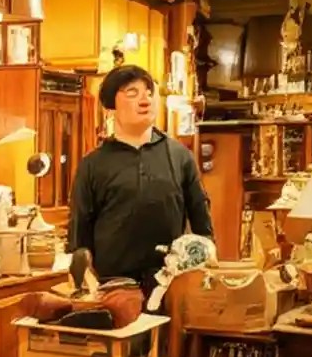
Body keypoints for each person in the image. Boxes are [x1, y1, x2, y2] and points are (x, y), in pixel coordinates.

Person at [67, 64, 214, 297]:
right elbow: (79, 241)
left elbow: (203, 230)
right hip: (114, 288)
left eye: (149, 92)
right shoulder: (92, 165)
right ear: (111, 106)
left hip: (172, 285)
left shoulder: (180, 156)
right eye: (132, 93)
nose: (144, 100)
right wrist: (89, 288)